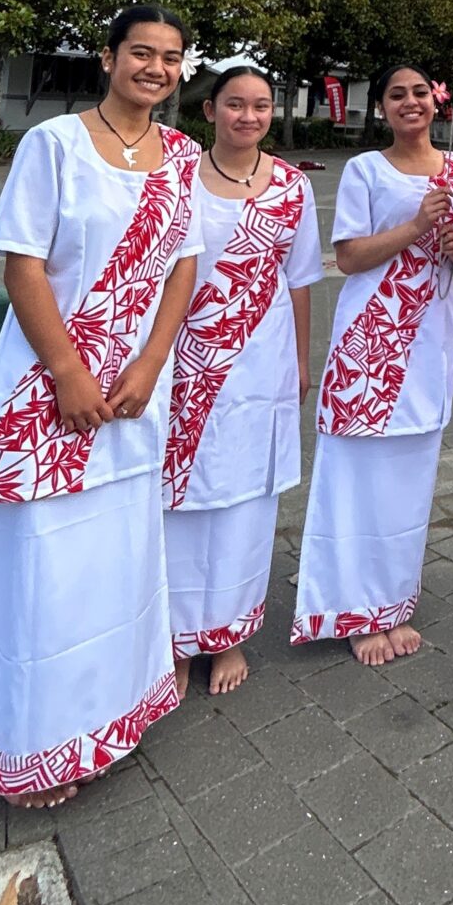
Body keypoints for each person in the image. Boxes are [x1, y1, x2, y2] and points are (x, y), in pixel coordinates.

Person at [0, 4, 202, 807]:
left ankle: (109, 721)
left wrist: (152, 361)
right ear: (107, 59)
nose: (156, 68)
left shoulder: (182, 155)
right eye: (141, 52)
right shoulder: (54, 143)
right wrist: (68, 372)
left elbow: (183, 265)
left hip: (135, 393)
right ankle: (35, 747)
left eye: (170, 57)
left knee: (116, 563)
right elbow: (23, 265)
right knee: (43, 570)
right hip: (48, 392)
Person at [293, 63, 453, 665]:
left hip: (429, 344)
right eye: (397, 95)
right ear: (382, 106)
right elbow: (350, 257)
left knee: (410, 477)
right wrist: (416, 226)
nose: (411, 102)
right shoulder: (365, 170)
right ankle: (351, 610)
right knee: (356, 476)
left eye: (420, 93)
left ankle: (392, 603)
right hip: (369, 345)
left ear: (436, 101)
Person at [163, 66, 322, 698]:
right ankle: (175, 639)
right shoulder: (176, 177)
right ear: (211, 111)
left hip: (263, 360)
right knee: (180, 500)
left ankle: (227, 634)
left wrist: (301, 361)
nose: (248, 116)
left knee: (248, 502)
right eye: (235, 104)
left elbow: (300, 279)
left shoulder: (292, 187)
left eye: (260, 106)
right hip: (186, 359)